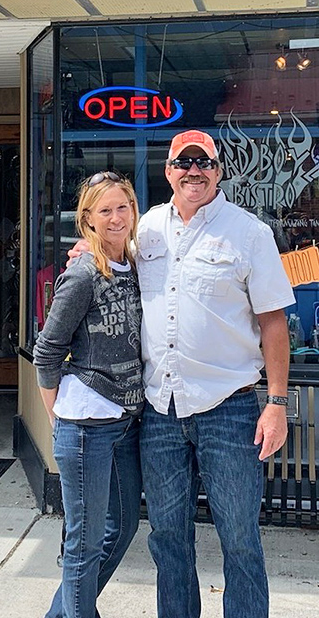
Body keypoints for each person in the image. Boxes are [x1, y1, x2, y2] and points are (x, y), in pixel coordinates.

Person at [69, 130, 293, 618]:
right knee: (168, 538)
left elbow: (274, 323)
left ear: (219, 169)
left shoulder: (249, 232)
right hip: (160, 411)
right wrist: (86, 253)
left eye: (204, 161)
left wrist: (277, 405)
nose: (194, 170)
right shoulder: (146, 228)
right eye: (183, 162)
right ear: (168, 170)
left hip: (229, 409)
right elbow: (109, 254)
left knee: (239, 538)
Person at [33, 172, 144, 618]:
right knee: (84, 542)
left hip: (126, 420)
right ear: (88, 219)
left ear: (134, 211)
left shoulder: (134, 266)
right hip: (85, 426)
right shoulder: (81, 274)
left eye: (123, 207)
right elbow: (47, 352)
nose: (116, 218)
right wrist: (57, 417)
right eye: (105, 210)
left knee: (123, 526)